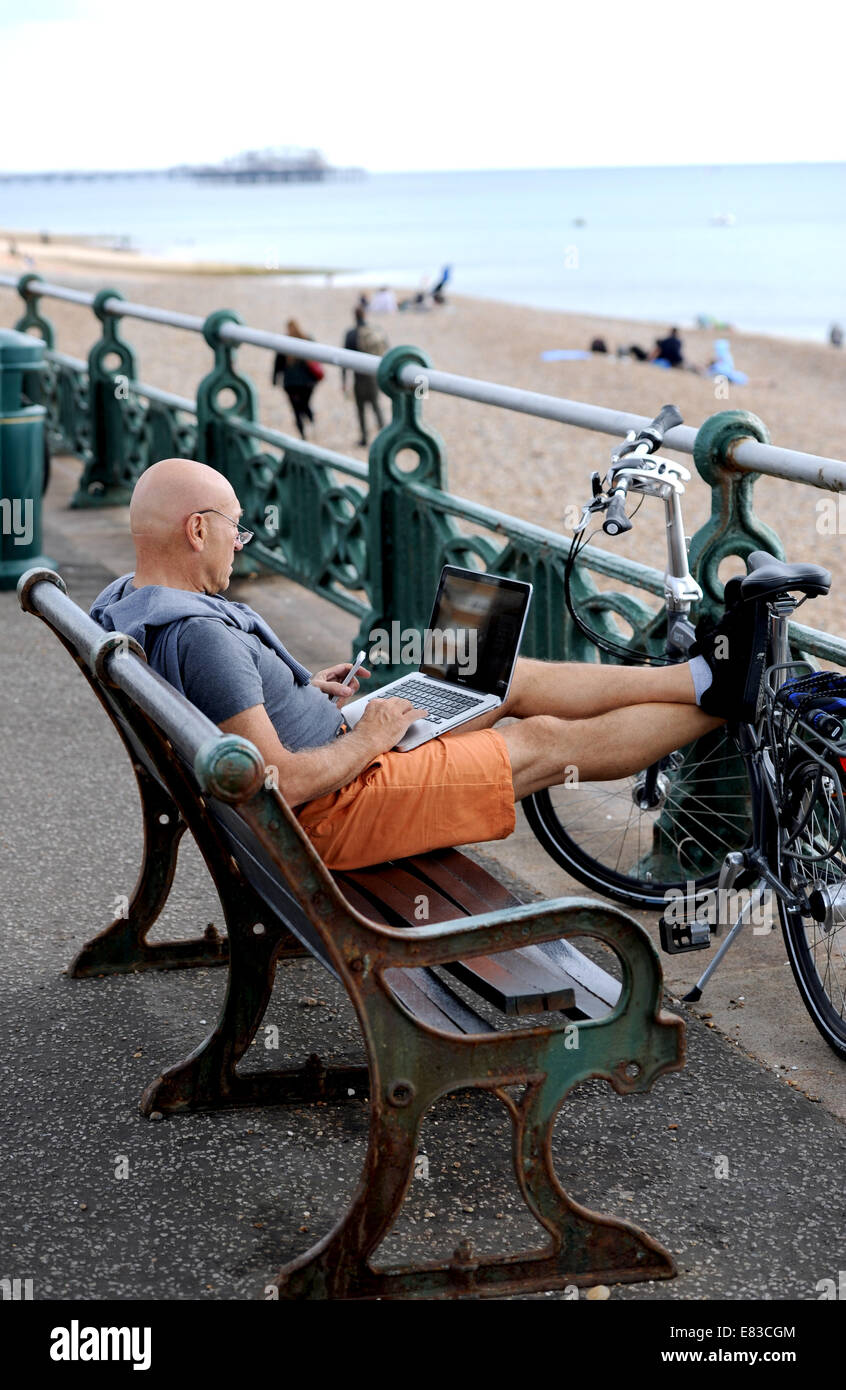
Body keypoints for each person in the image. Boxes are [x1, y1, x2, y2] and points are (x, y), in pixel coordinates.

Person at [90, 459, 755, 873]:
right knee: (541, 740)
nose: (241, 541)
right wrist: (374, 736)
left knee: (500, 678)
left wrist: (296, 688)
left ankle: (696, 678)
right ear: (196, 531)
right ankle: (732, 700)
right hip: (326, 816)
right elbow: (282, 784)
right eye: (235, 528)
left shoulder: (125, 603)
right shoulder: (202, 636)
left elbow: (230, 708)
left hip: (321, 760)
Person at [342, 306, 387, 447]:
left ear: (354, 316)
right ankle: (384, 436)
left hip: (359, 377)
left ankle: (364, 438)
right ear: (365, 315)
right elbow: (386, 350)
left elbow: (344, 359)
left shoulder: (351, 334)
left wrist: (344, 380)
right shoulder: (375, 331)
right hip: (374, 375)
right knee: (376, 406)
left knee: (360, 409)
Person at [272, 318, 321, 440]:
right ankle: (311, 422)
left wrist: (274, 379)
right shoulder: (307, 338)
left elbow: (277, 364)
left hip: (291, 384)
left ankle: (303, 435)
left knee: (296, 410)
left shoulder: (284, 342)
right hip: (307, 383)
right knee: (305, 405)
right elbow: (317, 358)